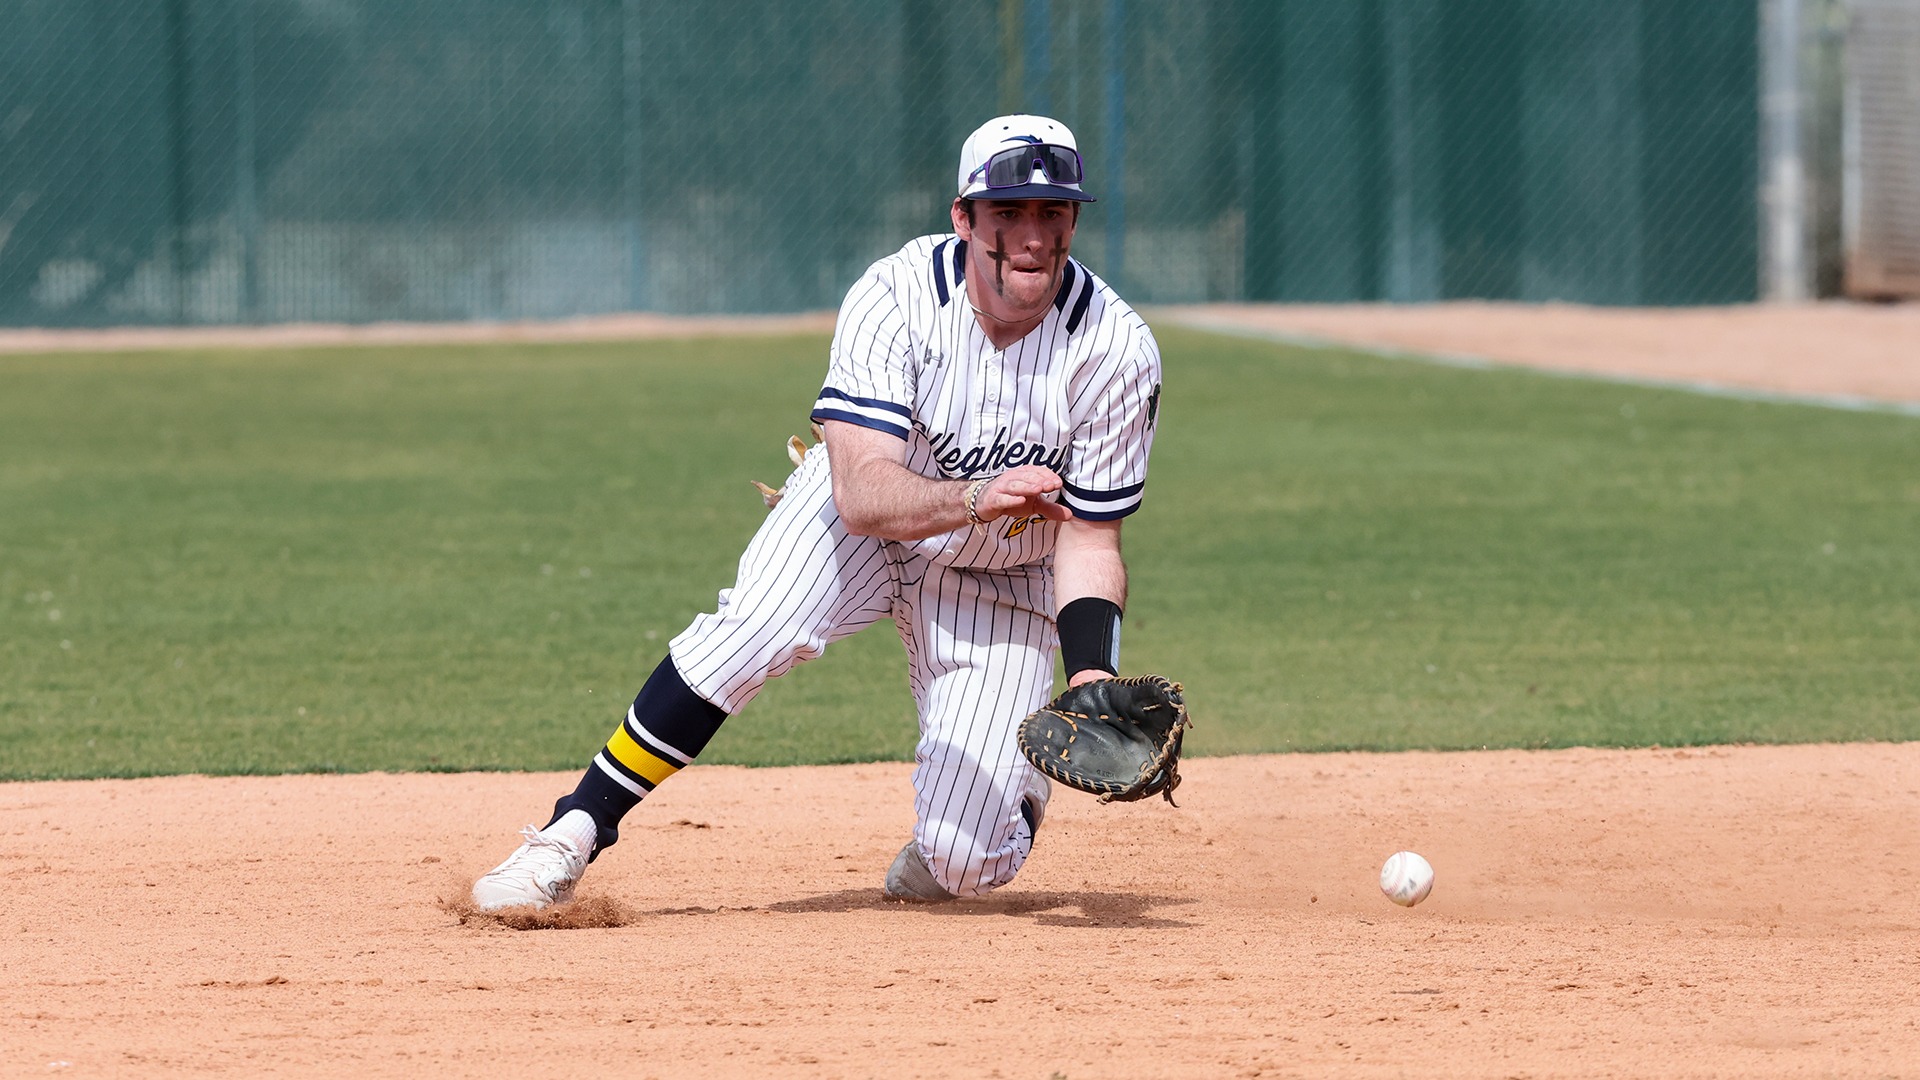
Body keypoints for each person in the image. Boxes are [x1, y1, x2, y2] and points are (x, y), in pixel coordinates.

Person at [471, 114, 1163, 909]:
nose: (1033, 237)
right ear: (963, 217)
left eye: (1052, 213)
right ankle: (572, 832)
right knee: (756, 626)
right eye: (1007, 212)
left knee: (968, 863)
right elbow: (864, 493)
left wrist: (1089, 679)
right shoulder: (896, 297)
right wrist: (975, 497)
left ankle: (1012, 800)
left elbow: (1091, 539)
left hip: (1001, 577)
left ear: (1074, 219)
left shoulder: (1115, 348)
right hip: (860, 524)